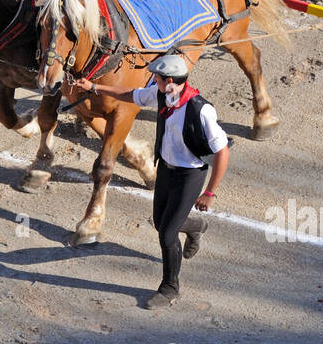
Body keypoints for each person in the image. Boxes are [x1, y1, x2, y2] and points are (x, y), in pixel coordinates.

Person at [65, 54, 229, 309]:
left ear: (170, 81)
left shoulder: (201, 109)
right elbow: (130, 94)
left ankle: (170, 288)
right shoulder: (163, 94)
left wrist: (210, 192)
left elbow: (222, 151)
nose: (153, 81)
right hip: (165, 169)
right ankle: (195, 225)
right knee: (161, 222)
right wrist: (94, 87)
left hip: (190, 175)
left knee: (167, 235)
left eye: (157, 78)